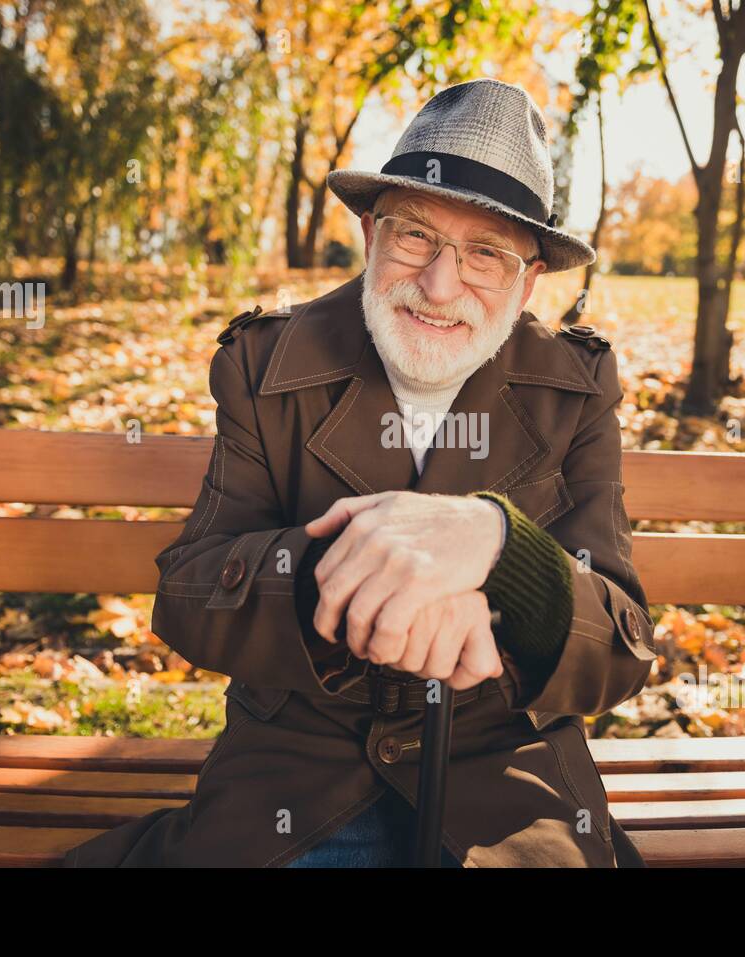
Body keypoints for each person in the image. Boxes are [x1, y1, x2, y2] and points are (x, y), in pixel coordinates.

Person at [63, 77, 656, 868]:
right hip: (295, 769)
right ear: (372, 234)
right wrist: (352, 574)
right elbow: (189, 592)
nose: (440, 285)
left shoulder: (575, 386)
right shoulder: (264, 362)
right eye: (416, 236)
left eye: (484, 252)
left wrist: (498, 548)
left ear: (528, 281)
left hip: (502, 775)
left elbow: (621, 647)